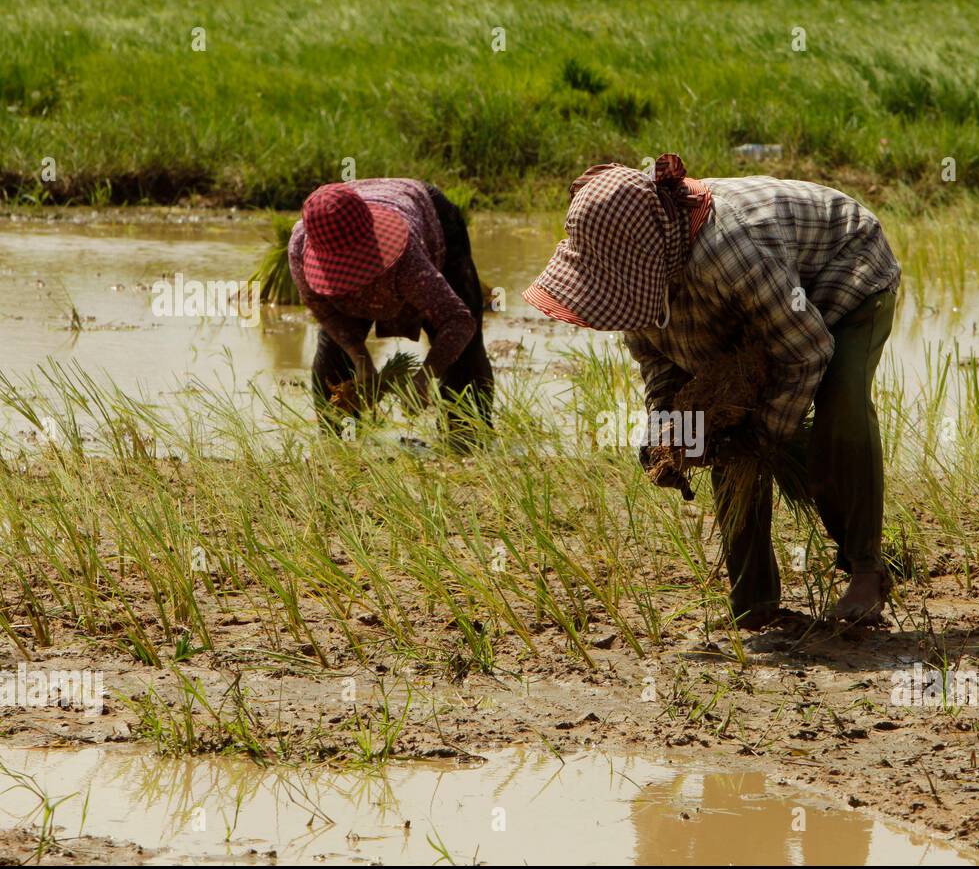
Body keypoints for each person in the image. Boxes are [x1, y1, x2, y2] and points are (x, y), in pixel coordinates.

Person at [524, 155, 900, 629]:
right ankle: (754, 602)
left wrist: (765, 436)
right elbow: (661, 364)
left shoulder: (730, 249)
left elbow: (807, 351)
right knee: (722, 432)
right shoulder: (635, 281)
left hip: (845, 267)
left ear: (643, 258)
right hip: (768, 297)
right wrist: (668, 434)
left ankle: (866, 570)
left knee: (838, 403)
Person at [288, 178, 493, 432]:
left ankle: (466, 439)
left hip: (426, 212)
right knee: (333, 352)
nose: (355, 283)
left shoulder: (407, 254)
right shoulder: (300, 247)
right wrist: (360, 359)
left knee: (465, 355)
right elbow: (323, 310)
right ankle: (341, 446)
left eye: (359, 268)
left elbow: (458, 321)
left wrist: (425, 377)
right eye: (346, 274)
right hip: (355, 219)